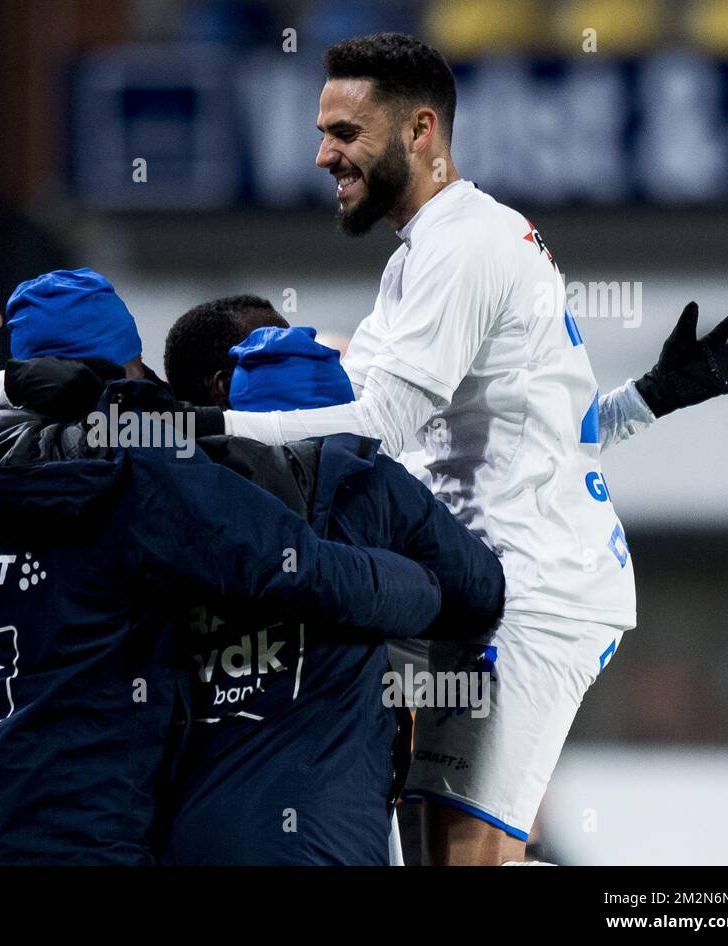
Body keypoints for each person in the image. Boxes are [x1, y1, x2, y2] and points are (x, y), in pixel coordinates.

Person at [209, 34, 728, 864]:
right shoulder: (437, 251)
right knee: (426, 844)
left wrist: (195, 431)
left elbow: (383, 424)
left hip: (535, 593)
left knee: (462, 858)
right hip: (481, 584)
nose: (324, 153)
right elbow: (550, 429)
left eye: (345, 133)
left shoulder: (463, 247)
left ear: (419, 130)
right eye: (324, 131)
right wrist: (652, 397)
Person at [0, 269, 445, 864]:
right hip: (85, 839)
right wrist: (421, 584)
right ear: (116, 370)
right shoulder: (134, 463)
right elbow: (298, 566)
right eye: (136, 363)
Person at [157, 324, 505, 864]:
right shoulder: (372, 482)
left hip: (190, 835)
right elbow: (480, 592)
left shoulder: (176, 496)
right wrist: (403, 588)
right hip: (326, 837)